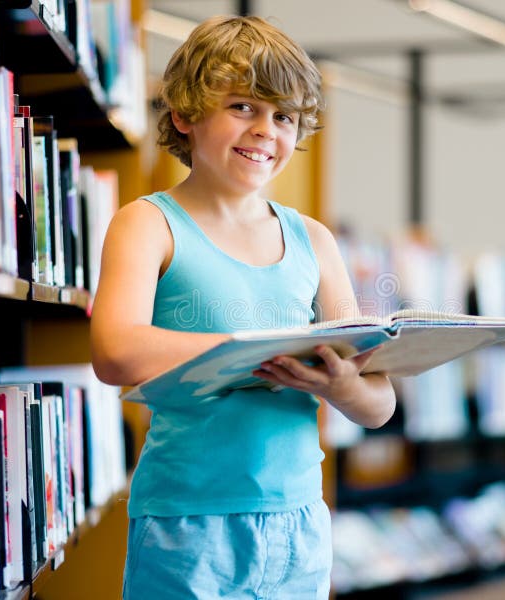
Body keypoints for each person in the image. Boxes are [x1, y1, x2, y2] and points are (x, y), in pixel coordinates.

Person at [90, 15, 396, 599]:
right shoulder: (147, 223)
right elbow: (115, 351)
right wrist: (256, 349)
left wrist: (336, 384)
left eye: (283, 116)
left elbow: (377, 403)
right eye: (243, 107)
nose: (265, 130)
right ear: (184, 114)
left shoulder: (314, 240)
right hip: (187, 521)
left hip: (299, 521)